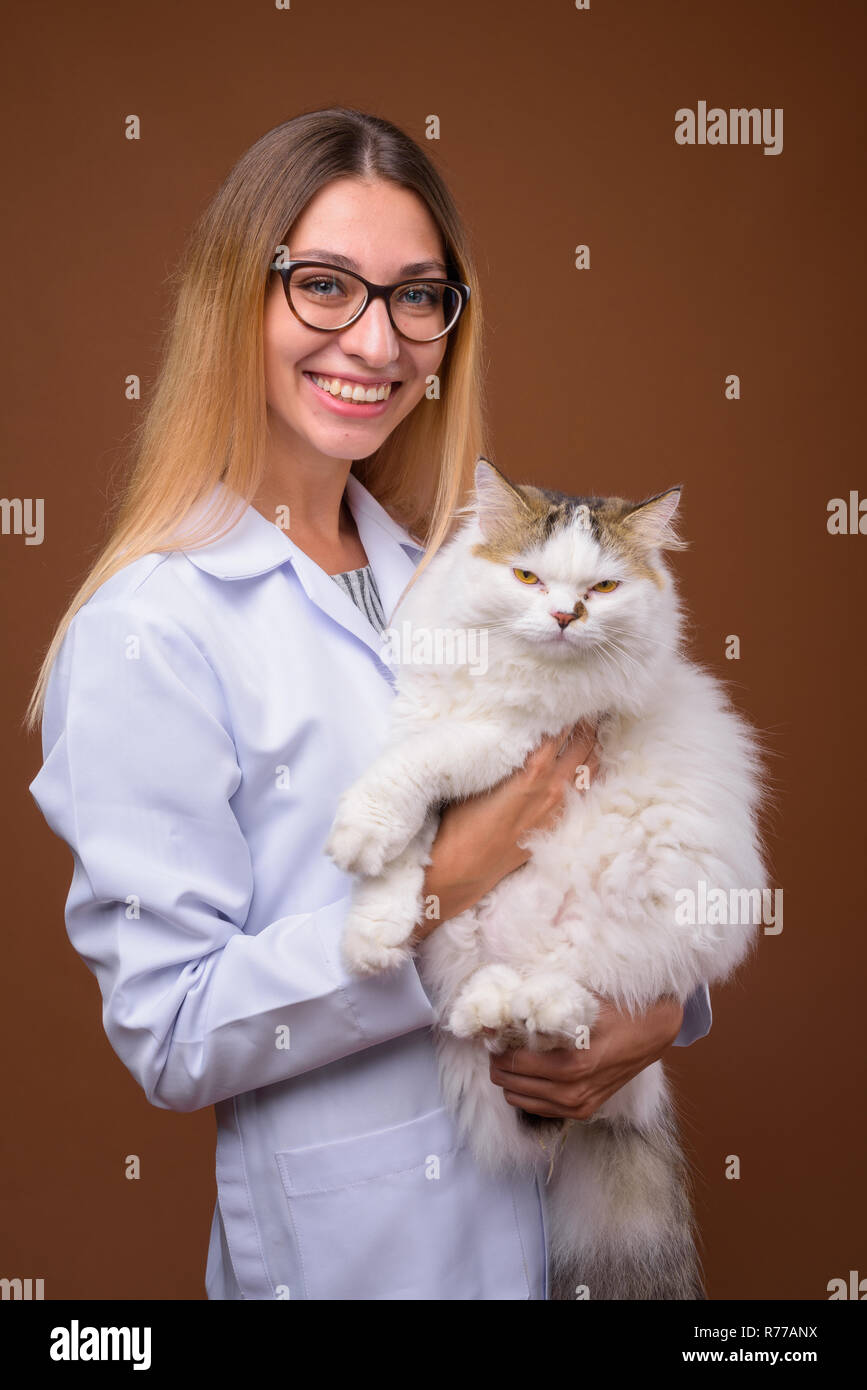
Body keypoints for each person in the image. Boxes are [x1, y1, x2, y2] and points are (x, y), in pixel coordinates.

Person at [27, 107, 710, 1301]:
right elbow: (176, 1033)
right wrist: (447, 881)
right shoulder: (151, 628)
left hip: (571, 1229)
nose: (376, 340)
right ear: (237, 297)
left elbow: (613, 832)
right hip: (367, 1259)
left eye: (416, 296)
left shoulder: (469, 575)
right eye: (326, 285)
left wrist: (662, 1013)